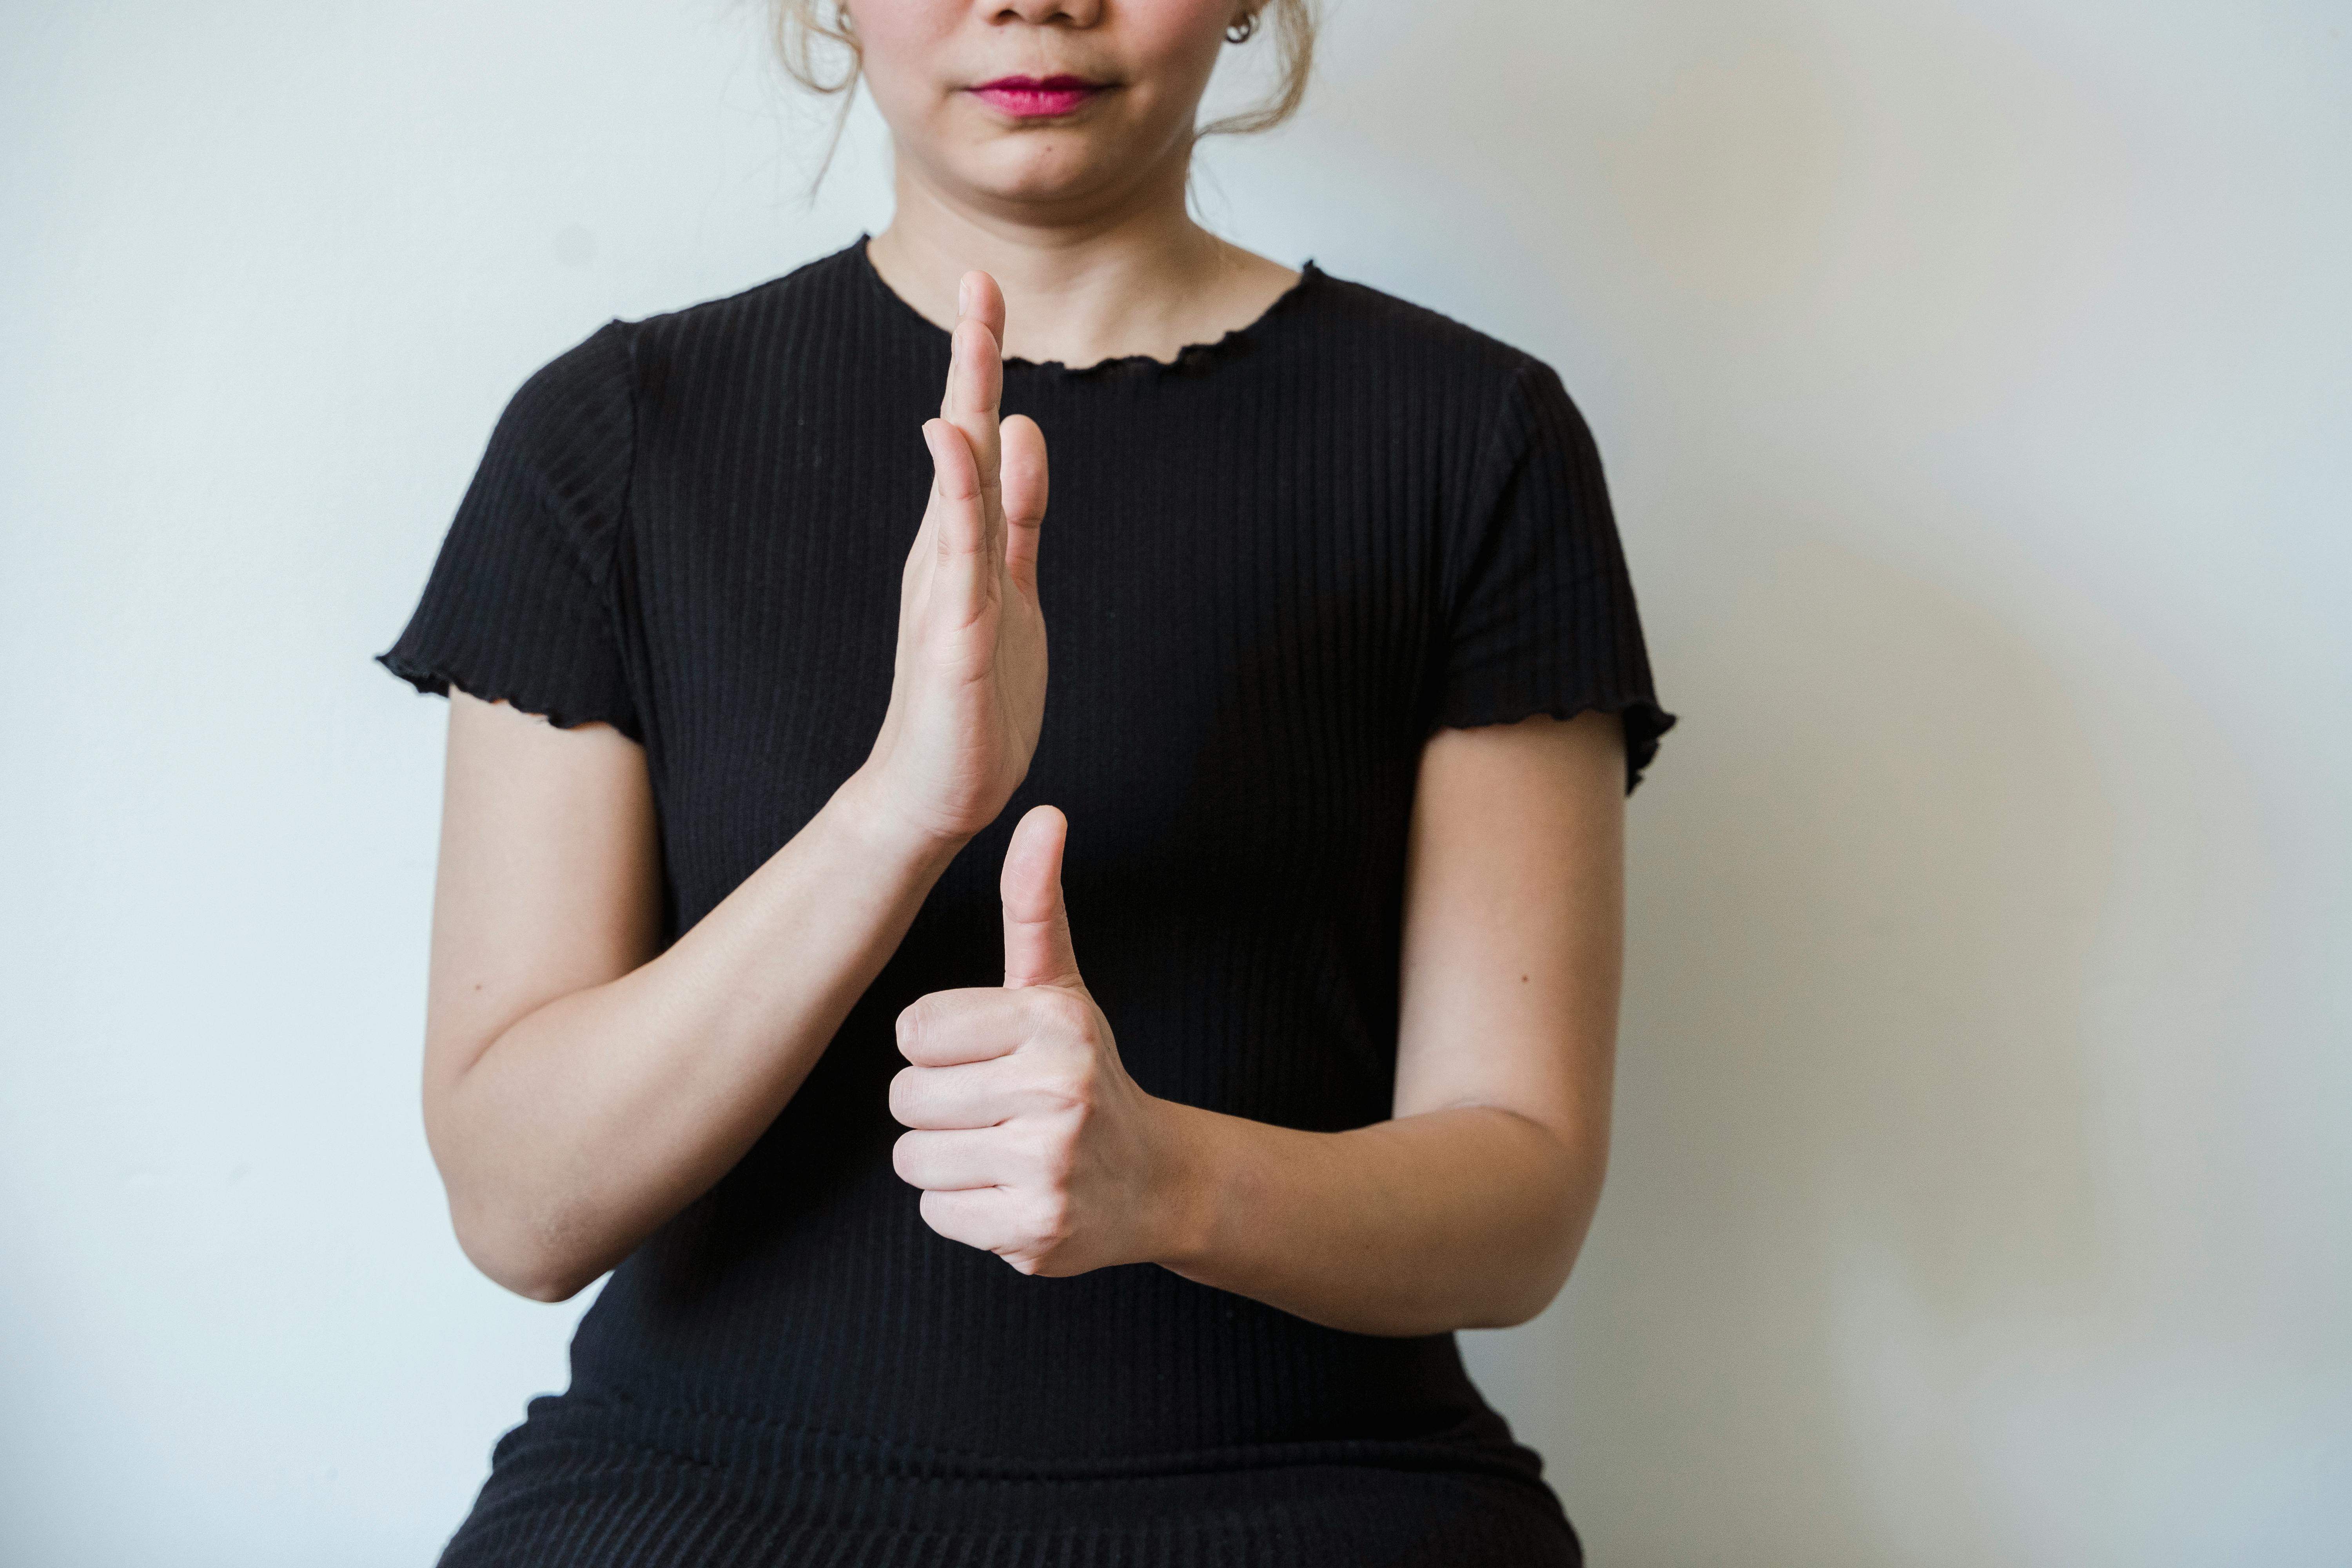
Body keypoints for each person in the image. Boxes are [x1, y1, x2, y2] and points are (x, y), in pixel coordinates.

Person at [377, 1, 1675, 1563]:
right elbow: (522, 1213)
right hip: (703, 1493)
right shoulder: (613, 442)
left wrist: (1169, 1182)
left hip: (1319, 1494)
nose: (1035, 1)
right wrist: (898, 809)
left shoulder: (1475, 444)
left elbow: (1519, 1202)